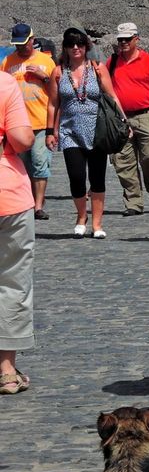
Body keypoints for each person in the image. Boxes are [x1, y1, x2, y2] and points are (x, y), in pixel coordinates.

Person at [45, 27, 127, 238]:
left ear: (86, 46)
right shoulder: (58, 72)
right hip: (69, 131)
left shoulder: (97, 68)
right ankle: (81, 216)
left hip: (97, 129)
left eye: (79, 44)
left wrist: (124, 122)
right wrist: (50, 131)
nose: (75, 48)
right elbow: (53, 104)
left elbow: (112, 96)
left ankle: (97, 224)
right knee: (76, 176)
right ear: (65, 47)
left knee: (98, 178)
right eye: (71, 44)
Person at [106, 21, 149, 216]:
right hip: (121, 118)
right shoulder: (113, 62)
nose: (123, 42)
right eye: (120, 39)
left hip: (146, 115)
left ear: (136, 39)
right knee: (123, 161)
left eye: (127, 39)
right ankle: (133, 202)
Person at [0, 70, 36, 395]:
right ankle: (7, 371)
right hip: (7, 194)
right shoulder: (5, 84)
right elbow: (23, 139)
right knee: (12, 282)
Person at [2, 23, 55, 222]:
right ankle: (27, 202)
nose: (21, 48)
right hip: (15, 124)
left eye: (24, 44)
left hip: (40, 121)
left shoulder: (46, 61)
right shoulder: (7, 62)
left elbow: (56, 94)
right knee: (22, 166)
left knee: (40, 164)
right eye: (17, 45)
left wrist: (44, 78)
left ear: (32, 40)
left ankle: (38, 206)